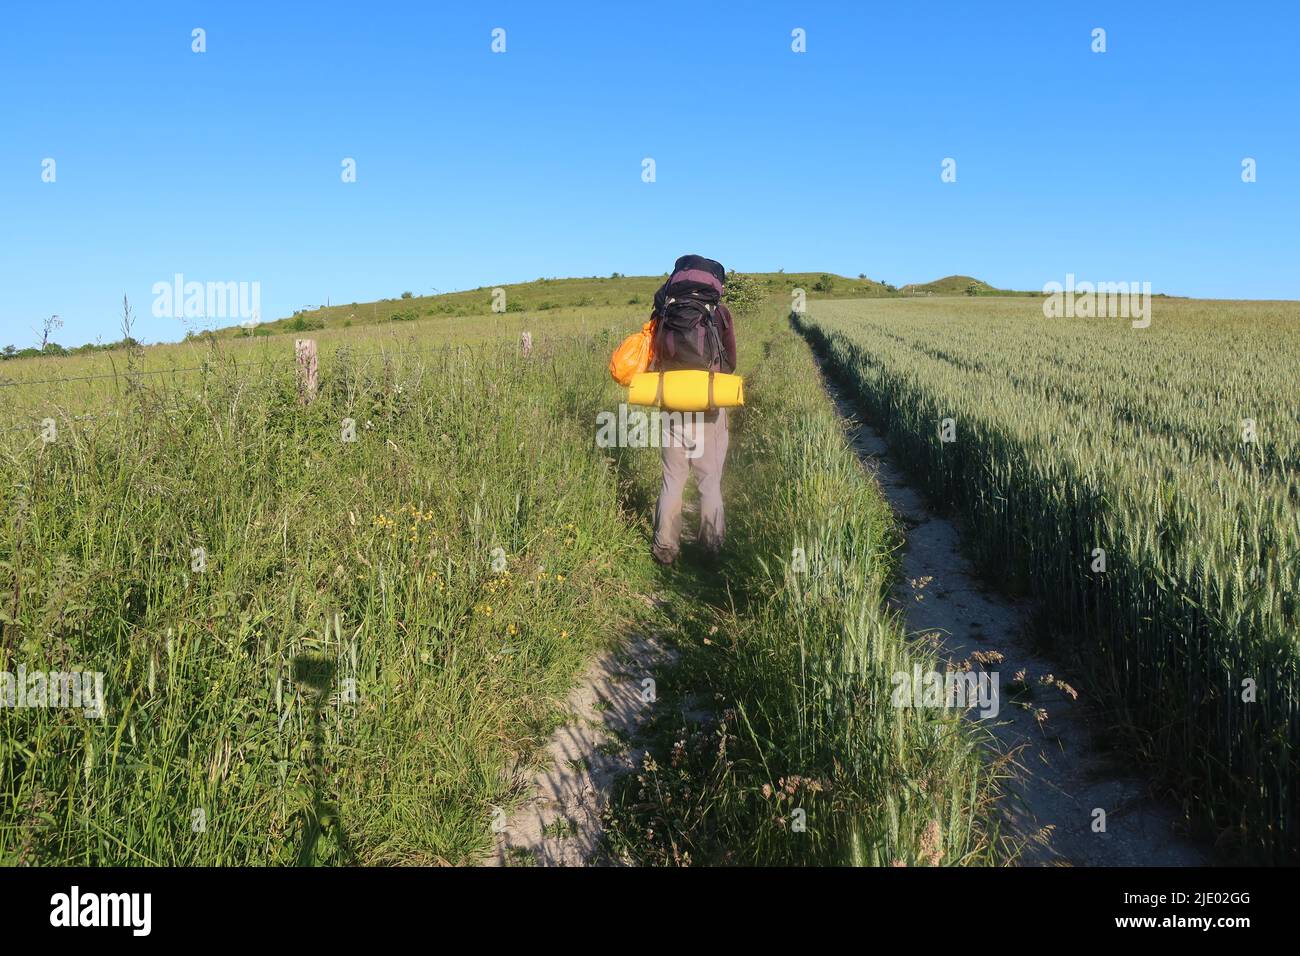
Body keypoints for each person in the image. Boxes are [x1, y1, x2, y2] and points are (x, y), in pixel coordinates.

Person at [649, 255, 737, 565]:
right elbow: (731, 364)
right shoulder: (719, 314)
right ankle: (711, 552)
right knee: (708, 481)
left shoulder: (665, 313)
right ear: (715, 283)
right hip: (708, 408)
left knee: (672, 480)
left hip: (672, 405)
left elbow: (653, 356)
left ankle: (664, 549)